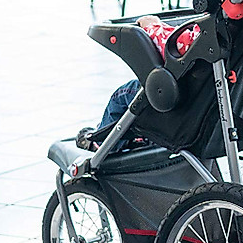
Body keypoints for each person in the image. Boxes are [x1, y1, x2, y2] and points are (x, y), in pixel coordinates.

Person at [77, 16, 199, 150]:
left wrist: (152, 27)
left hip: (183, 104)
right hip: (204, 107)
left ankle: (102, 143)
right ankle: (142, 137)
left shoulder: (207, 32)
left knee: (124, 95)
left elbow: (175, 46)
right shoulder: (223, 26)